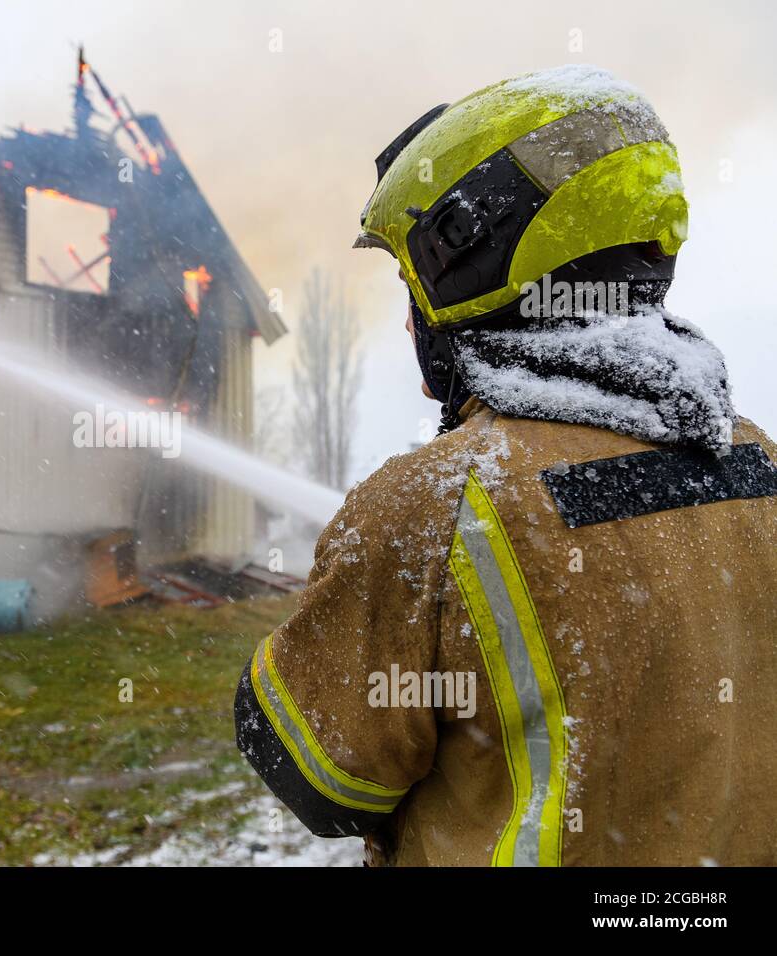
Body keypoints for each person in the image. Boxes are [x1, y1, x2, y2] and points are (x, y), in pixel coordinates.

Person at [235, 65, 777, 866]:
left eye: (410, 281)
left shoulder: (430, 508)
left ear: (467, 260)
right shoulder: (757, 460)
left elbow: (320, 776)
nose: (411, 314)